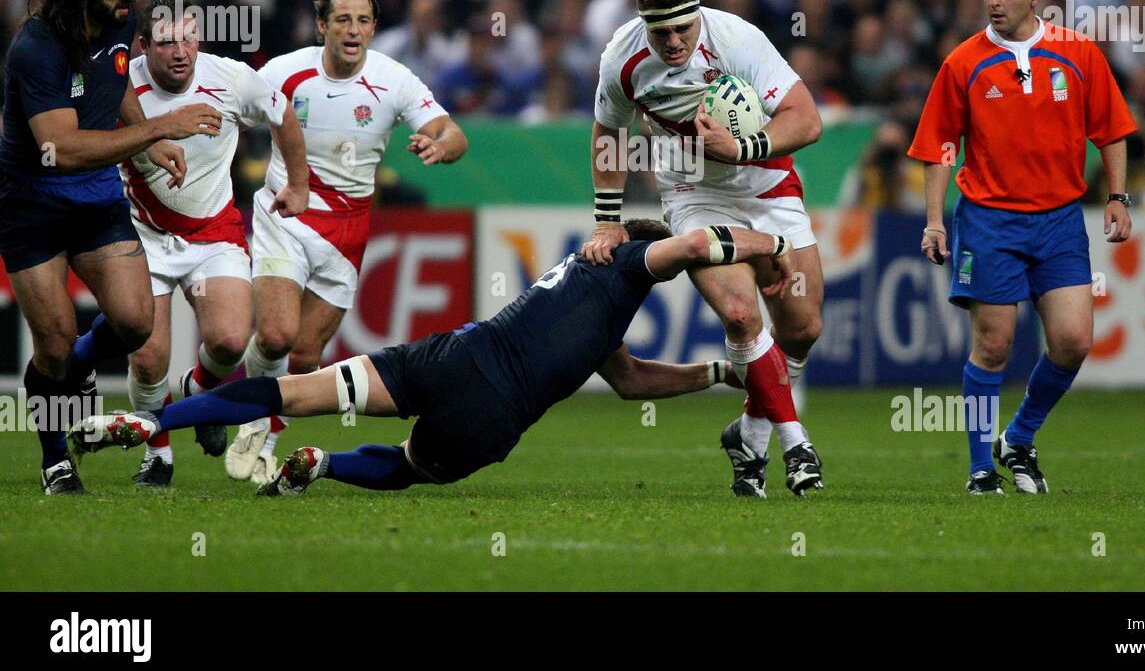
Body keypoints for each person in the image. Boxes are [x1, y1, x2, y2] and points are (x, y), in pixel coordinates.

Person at [69, 220, 794, 496]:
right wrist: (772, 249)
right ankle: (327, 467)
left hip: (451, 353)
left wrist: (721, 373)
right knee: (415, 466)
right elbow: (700, 245)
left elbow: (632, 381)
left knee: (290, 394)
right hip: (492, 410)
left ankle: (157, 422)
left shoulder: (587, 282)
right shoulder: (634, 259)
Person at [583, 0, 825, 498]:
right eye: (659, 31)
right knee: (740, 315)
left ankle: (749, 433)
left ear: (698, 16)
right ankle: (795, 441)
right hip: (693, 191)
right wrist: (605, 220)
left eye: (681, 30)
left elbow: (806, 120)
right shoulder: (621, 60)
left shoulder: (738, 38)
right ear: (643, 22)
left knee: (803, 329)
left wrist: (741, 148)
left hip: (766, 183)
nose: (672, 42)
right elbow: (609, 132)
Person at [908, 0, 1137, 495]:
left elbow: (1111, 130)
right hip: (989, 218)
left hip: (1058, 219)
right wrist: (934, 221)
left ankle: (1019, 436)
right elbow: (940, 146)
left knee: (1073, 340)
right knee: (994, 344)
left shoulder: (1079, 55)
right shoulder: (963, 62)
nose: (992, 1)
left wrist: (1118, 197)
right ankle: (979, 468)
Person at [225, 0, 468, 484]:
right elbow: (233, 111)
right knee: (275, 335)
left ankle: (265, 432)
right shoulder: (285, 71)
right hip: (286, 209)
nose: (353, 30)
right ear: (322, 26)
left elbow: (452, 133)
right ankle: (253, 416)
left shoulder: (394, 78)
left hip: (349, 228)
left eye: (362, 20)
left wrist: (441, 146)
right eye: (342, 20)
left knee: (308, 355)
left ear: (374, 27)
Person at [0, 0, 221, 494]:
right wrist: (159, 129)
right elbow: (61, 149)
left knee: (134, 322)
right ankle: (55, 458)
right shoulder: (37, 48)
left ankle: (74, 369)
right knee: (51, 340)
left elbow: (115, 81)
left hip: (96, 194)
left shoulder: (122, 25)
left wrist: (145, 147)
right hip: (32, 203)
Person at [117, 0, 310, 487]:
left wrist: (299, 182)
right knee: (147, 356)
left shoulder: (229, 77)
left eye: (188, 37)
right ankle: (157, 454)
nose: (180, 50)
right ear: (143, 45)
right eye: (166, 41)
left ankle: (199, 396)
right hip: (143, 234)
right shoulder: (120, 85)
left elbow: (282, 114)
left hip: (214, 232)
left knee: (228, 341)